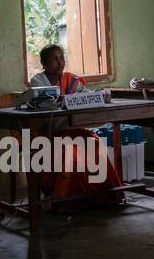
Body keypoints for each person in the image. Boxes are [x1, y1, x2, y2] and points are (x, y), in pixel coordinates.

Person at [27, 44, 125, 210]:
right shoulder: (38, 81)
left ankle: (103, 193)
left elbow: (86, 94)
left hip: (71, 130)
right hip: (49, 134)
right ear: (44, 63)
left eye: (61, 57)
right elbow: (45, 103)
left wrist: (101, 95)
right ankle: (66, 200)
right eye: (54, 59)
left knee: (93, 142)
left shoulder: (71, 80)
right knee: (70, 149)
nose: (60, 62)